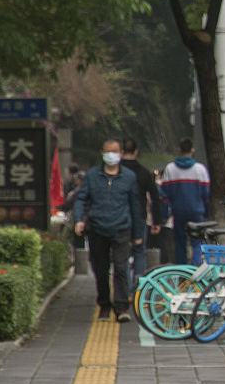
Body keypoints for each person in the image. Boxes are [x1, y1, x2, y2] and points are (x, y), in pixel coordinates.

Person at [73, 139, 144, 322]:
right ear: (102, 153)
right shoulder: (92, 176)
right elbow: (81, 198)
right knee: (100, 269)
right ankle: (104, 304)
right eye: (107, 151)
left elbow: (136, 205)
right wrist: (79, 219)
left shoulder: (128, 177)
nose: (111, 155)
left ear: (120, 153)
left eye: (114, 151)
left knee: (121, 268)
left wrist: (138, 233)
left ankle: (121, 306)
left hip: (121, 228)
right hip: (97, 228)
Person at [120, 139, 163, 294]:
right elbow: (155, 197)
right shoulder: (143, 172)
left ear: (122, 151)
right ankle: (138, 288)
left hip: (120, 218)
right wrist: (157, 221)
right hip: (139, 217)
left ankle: (124, 287)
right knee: (139, 252)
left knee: (122, 253)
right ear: (136, 152)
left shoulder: (117, 171)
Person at [161, 138, 212, 266]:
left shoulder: (170, 169)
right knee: (197, 243)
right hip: (196, 212)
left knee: (180, 244)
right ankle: (195, 271)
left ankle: (182, 275)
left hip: (178, 212)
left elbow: (165, 195)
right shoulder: (200, 169)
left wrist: (164, 215)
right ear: (192, 151)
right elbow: (206, 194)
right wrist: (206, 212)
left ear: (179, 150)